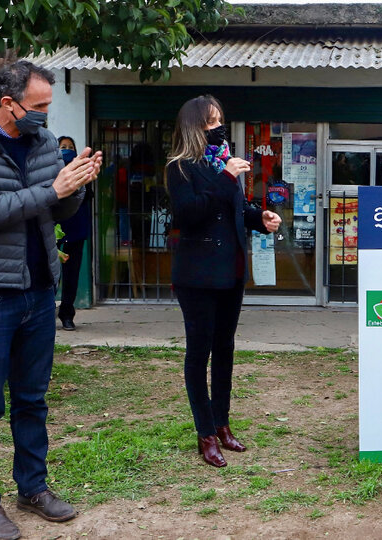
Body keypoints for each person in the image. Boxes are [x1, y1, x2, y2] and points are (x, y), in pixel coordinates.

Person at [0, 60, 103, 540]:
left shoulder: (44, 142)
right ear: (6, 102)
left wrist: (77, 185)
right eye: (39, 107)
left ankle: (32, 487)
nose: (45, 115)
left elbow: (55, 206)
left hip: (37, 290)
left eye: (48, 106)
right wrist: (52, 188)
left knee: (32, 400)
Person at [165, 95, 281, 468]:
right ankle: (205, 434)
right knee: (199, 353)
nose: (218, 128)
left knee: (225, 350)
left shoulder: (222, 162)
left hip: (230, 271)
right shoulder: (180, 167)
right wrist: (227, 175)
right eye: (210, 122)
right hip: (197, 276)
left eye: (220, 120)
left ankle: (223, 423)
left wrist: (258, 217)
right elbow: (188, 213)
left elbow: (234, 208)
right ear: (193, 127)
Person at [55, 136, 92, 330]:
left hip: (76, 229)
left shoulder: (83, 169)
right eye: (63, 147)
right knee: (51, 275)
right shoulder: (50, 169)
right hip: (53, 229)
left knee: (71, 275)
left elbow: (88, 196)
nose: (67, 151)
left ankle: (67, 314)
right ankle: (46, 312)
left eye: (70, 147)